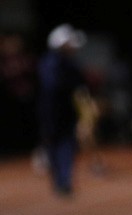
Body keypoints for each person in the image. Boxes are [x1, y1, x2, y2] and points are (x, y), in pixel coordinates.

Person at [36, 23, 88, 197]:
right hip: (51, 112)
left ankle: (64, 180)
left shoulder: (70, 63)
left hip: (65, 112)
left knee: (67, 146)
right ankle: (60, 180)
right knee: (54, 146)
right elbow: (52, 86)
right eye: (69, 44)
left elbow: (80, 83)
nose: (73, 47)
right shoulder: (50, 63)